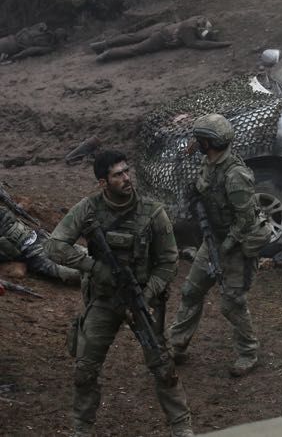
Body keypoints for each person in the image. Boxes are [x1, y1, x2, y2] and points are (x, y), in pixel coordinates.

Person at [44, 150, 193, 437]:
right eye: (118, 174)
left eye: (127, 171)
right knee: (85, 370)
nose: (126, 178)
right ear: (103, 182)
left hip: (141, 299)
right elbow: (54, 246)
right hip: (103, 300)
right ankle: (81, 428)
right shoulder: (88, 209)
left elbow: (169, 261)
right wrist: (92, 267)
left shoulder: (153, 212)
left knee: (163, 366)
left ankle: (182, 426)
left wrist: (147, 294)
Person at [169, 114, 271, 377]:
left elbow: (245, 219)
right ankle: (176, 345)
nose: (196, 143)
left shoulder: (235, 176)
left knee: (231, 302)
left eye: (199, 139)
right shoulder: (209, 161)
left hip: (237, 244)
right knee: (191, 291)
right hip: (214, 239)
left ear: (210, 142)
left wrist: (225, 248)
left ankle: (248, 352)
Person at [90, 16, 230, 63]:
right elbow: (197, 44)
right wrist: (222, 44)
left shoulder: (198, 18)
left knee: (132, 37)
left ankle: (102, 45)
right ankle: (106, 54)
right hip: (160, 38)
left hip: (163, 27)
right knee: (136, 49)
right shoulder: (189, 31)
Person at [0, 205, 79, 284]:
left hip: (39, 237)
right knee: (69, 273)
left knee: (78, 251)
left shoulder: (3, 212)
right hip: (31, 253)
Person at [0, 22, 66, 61]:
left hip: (9, 39)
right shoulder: (48, 46)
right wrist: (14, 58)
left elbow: (31, 50)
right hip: (12, 46)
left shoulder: (42, 28)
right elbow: (30, 50)